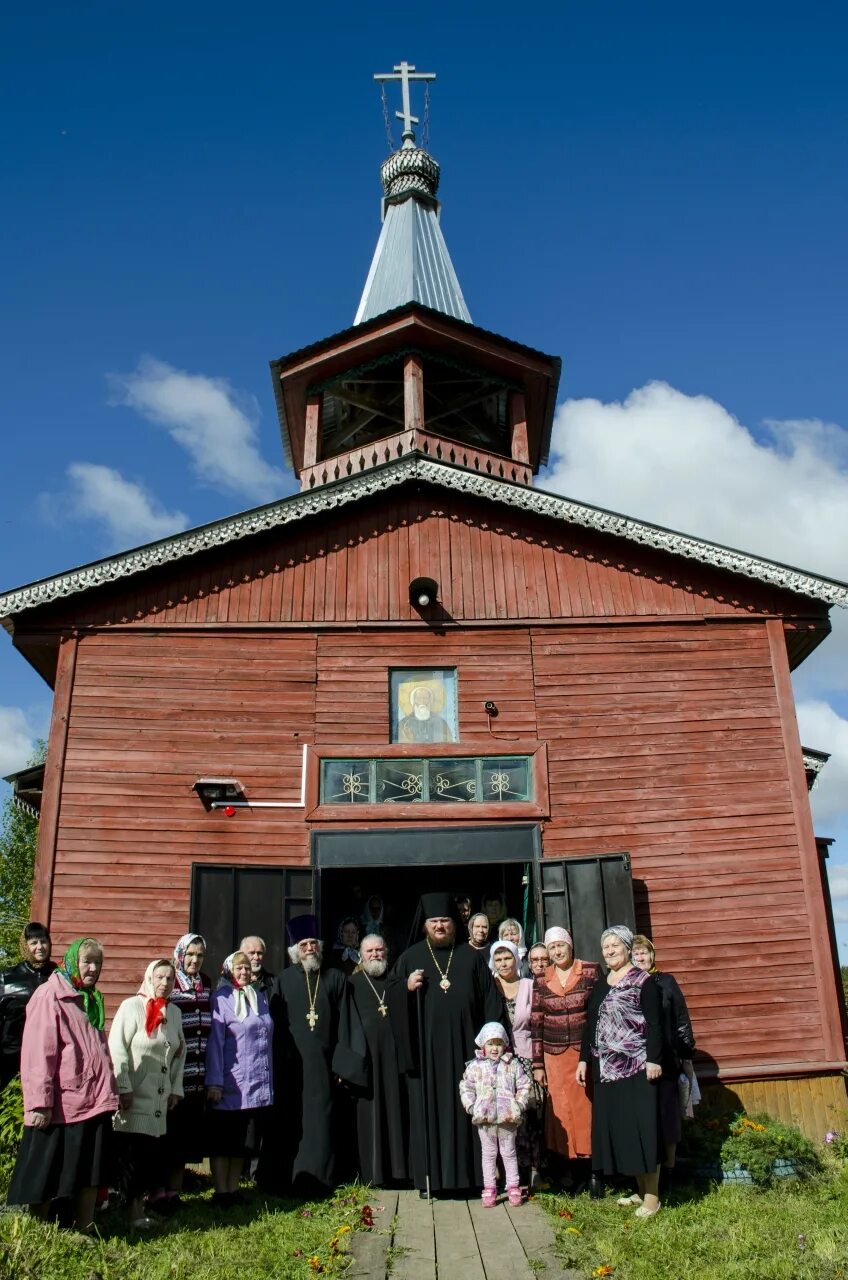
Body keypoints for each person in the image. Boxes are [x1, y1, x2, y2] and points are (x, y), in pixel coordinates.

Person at [387, 892, 504, 1195]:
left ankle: (473, 1178)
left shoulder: (472, 958)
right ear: (425, 925)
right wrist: (406, 988)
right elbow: (390, 997)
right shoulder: (410, 957)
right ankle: (430, 1180)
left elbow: (492, 1003)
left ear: (455, 924)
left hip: (468, 1055)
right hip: (427, 1058)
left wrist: (488, 1047)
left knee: (470, 1113)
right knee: (428, 1116)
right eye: (434, 921)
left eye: (445, 921)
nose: (440, 926)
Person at [7, 938, 118, 1233]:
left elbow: (100, 1051)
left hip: (94, 1099)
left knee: (89, 1170)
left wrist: (111, 1092)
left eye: (98, 963)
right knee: (46, 1170)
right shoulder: (50, 995)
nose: (93, 968)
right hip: (61, 1103)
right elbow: (37, 1053)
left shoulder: (91, 997)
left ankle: (85, 1226)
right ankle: (37, 1231)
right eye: (87, 962)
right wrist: (39, 1103)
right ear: (72, 961)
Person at [264, 915, 366, 1195]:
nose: (309, 948)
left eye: (313, 943)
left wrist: (342, 1066)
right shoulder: (283, 981)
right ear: (295, 950)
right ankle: (291, 1177)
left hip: (325, 1067)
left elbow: (347, 1024)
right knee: (292, 1120)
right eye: (304, 944)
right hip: (292, 1067)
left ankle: (324, 1177)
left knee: (322, 1121)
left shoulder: (335, 978)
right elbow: (276, 1026)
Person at [577, 926, 663, 1217]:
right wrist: (584, 1059)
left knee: (643, 1131)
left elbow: (655, 1023)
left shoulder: (643, 981)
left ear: (628, 948)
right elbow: (591, 1025)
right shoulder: (602, 983)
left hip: (637, 1066)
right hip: (607, 1069)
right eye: (606, 947)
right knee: (626, 1131)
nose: (610, 951)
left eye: (615, 945)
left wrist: (654, 1059)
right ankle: (640, 1191)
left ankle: (653, 1197)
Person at [109, 959, 185, 1228]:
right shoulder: (131, 1007)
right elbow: (117, 1047)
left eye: (170, 978)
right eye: (160, 977)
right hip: (133, 1097)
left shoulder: (173, 1013)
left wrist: (176, 1088)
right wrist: (124, 1087)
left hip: (159, 1101)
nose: (165, 983)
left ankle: (138, 1209)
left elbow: (179, 1052)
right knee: (131, 1157)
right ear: (149, 978)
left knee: (150, 1158)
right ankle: (129, 1212)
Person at [531, 928, 600, 1191]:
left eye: (561, 946)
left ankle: (593, 1171)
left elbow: (597, 1012)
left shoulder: (590, 971)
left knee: (586, 1111)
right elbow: (536, 1023)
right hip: (553, 1056)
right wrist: (538, 1064)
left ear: (571, 946)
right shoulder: (541, 979)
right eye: (552, 948)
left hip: (583, 1055)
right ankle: (568, 1172)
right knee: (560, 1112)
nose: (557, 951)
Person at [206, 951, 274, 1206]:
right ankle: (221, 1191)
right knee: (223, 1141)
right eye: (239, 968)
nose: (244, 972)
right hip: (229, 1081)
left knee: (239, 1143)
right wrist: (214, 1081)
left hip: (252, 1083)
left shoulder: (258, 997)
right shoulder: (221, 999)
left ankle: (233, 1189)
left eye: (247, 968)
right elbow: (215, 1042)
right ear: (228, 970)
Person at [631, 933, 696, 1189]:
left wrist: (686, 1052)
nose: (640, 957)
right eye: (635, 954)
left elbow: (681, 1018)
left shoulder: (666, 982)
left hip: (667, 1058)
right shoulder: (629, 984)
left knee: (668, 1118)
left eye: (644, 952)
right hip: (637, 1062)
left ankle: (669, 1170)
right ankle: (646, 1174)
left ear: (652, 954)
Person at [347, 934, 408, 1186]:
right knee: (369, 1116)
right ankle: (371, 1173)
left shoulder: (396, 981)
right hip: (367, 1060)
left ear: (387, 952)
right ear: (361, 955)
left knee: (397, 1113)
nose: (375, 954)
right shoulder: (351, 984)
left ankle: (399, 1172)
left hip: (395, 1060)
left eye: (379, 950)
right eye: (370, 951)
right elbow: (346, 1025)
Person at [159, 932, 212, 1211]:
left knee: (183, 1139)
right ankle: (156, 1193)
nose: (194, 960)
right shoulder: (171, 981)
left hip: (197, 1074)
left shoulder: (206, 983)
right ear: (180, 953)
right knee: (166, 1136)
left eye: (200, 955)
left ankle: (174, 1193)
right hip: (173, 1072)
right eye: (190, 954)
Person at [459, 1021, 531, 1208]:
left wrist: (518, 1104)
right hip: (485, 1119)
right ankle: (490, 1187)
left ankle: (513, 1186)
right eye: (490, 1044)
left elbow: (524, 1085)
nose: (494, 1048)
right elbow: (466, 1086)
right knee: (489, 1153)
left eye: (498, 1044)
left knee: (509, 1152)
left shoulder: (513, 1064)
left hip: (507, 1117)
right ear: (483, 1044)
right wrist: (472, 1106)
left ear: (504, 1045)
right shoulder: (475, 1066)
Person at [490, 940, 543, 1187]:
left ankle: (533, 1168)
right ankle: (503, 1170)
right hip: (498, 1060)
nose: (503, 964)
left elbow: (539, 1023)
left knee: (529, 1112)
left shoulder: (529, 986)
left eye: (507, 958)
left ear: (516, 959)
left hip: (525, 1055)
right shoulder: (491, 987)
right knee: (501, 1114)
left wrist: (538, 1061)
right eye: (498, 959)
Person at [0, 922, 56, 1088]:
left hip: (47, 1060)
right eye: (33, 943)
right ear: (25, 946)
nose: (40, 947)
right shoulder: (7, 978)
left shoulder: (59, 976)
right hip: (10, 1061)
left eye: (43, 941)